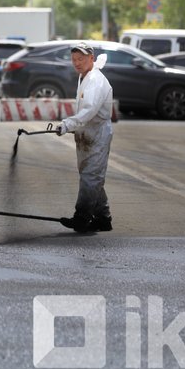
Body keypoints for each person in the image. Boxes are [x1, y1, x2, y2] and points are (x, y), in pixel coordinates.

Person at [58, 42, 114, 233]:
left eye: (81, 59)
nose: (77, 63)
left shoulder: (96, 80)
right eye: (74, 59)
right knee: (90, 176)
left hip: (97, 132)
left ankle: (82, 217)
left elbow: (89, 110)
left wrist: (68, 124)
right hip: (86, 132)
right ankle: (103, 218)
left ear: (91, 57)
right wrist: (74, 126)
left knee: (91, 177)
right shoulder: (85, 77)